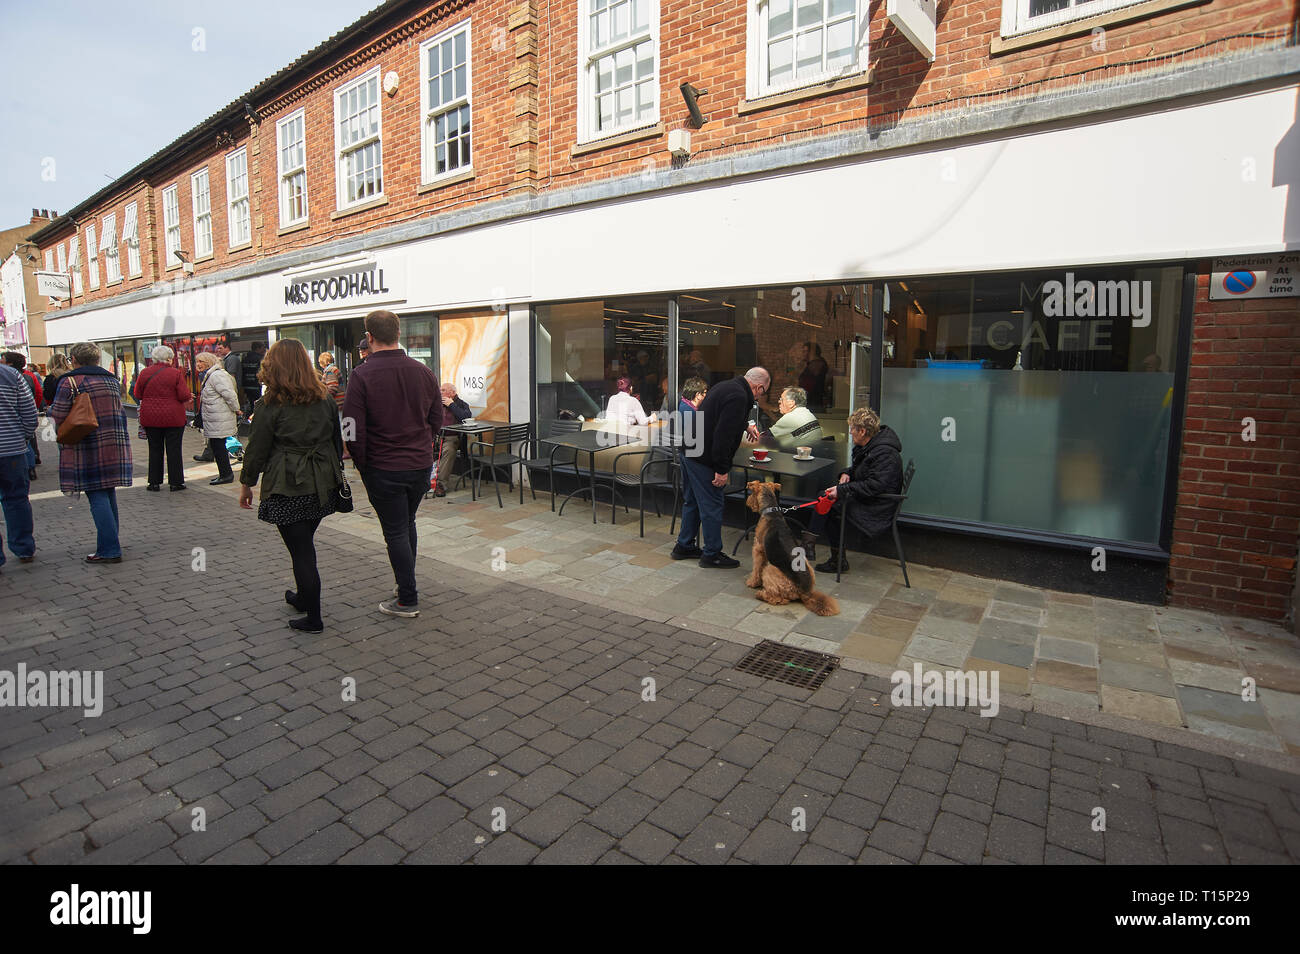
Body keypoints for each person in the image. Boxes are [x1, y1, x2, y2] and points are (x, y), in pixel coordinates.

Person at [341, 310, 443, 618]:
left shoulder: (361, 375)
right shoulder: (423, 371)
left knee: (396, 530)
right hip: (419, 465)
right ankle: (405, 586)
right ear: (398, 334)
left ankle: (407, 598)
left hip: (384, 467)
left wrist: (361, 462)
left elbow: (349, 425)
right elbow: (437, 419)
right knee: (406, 524)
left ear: (369, 338)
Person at [239, 339, 342, 633]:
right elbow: (336, 441)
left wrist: (247, 483)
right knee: (303, 544)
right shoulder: (324, 398)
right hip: (322, 481)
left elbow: (257, 448)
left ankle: (314, 617)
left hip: (288, 483)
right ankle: (303, 597)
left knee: (301, 551)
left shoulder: (271, 403)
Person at [675, 366, 769, 568]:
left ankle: (684, 546)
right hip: (704, 457)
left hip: (690, 450)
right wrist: (721, 469)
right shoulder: (739, 397)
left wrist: (745, 424)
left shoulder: (726, 386)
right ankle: (712, 554)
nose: (761, 397)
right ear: (759, 388)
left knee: (692, 501)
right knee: (712, 504)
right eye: (763, 392)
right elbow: (723, 436)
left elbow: (714, 415)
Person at [49, 341, 133, 563]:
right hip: (113, 443)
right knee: (107, 492)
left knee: (96, 494)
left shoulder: (70, 381)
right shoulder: (111, 380)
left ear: (74, 360)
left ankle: (109, 549)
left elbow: (57, 414)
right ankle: (111, 542)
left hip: (86, 444)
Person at [793, 406, 902, 574]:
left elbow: (875, 485)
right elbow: (863, 470)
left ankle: (821, 552)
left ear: (863, 431)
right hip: (870, 497)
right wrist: (846, 473)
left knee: (829, 503)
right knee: (827, 499)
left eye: (852, 429)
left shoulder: (885, 453)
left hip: (878, 506)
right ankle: (813, 548)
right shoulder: (872, 446)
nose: (850, 432)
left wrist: (842, 490)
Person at [133, 345, 191, 492]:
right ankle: (176, 482)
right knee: (174, 450)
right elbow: (183, 395)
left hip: (151, 417)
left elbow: (137, 393)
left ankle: (153, 482)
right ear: (169, 358)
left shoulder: (145, 372)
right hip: (173, 417)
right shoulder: (175, 373)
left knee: (154, 449)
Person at [0, 359, 37, 570]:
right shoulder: (11, 375)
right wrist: (22, 436)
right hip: (12, 450)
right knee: (16, 499)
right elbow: (30, 412)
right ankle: (24, 548)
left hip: (13, 448)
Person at [669, 377, 708, 554]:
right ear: (698, 394)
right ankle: (685, 543)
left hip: (687, 457)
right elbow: (695, 440)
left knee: (690, 500)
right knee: (693, 501)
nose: (706, 395)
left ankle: (684, 543)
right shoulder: (689, 411)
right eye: (705, 392)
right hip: (692, 460)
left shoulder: (684, 406)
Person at [194, 352, 241, 485]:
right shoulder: (210, 375)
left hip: (219, 418)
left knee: (219, 446)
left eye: (201, 361)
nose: (198, 364)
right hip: (215, 418)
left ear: (209, 362)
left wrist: (236, 409)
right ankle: (225, 474)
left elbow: (229, 394)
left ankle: (226, 475)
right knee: (217, 446)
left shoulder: (217, 375)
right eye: (197, 361)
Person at [3, 353, 43, 479]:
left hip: (14, 440)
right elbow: (36, 395)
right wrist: (22, 436)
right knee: (15, 495)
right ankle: (31, 468)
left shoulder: (16, 376)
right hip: (12, 443)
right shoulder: (17, 376)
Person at [435, 382, 472, 498]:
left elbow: (466, 417)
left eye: (443, 390)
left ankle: (440, 484)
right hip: (435, 436)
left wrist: (452, 405)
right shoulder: (436, 403)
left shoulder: (461, 404)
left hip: (451, 438)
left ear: (452, 393)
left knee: (448, 450)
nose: (440, 392)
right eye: (440, 390)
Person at [798, 341, 830, 411]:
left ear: (811, 353)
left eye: (805, 351)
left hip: (813, 403)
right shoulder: (813, 364)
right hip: (811, 402)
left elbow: (808, 385)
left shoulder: (816, 365)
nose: (803, 354)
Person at [241, 339, 266, 409]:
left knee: (251, 406)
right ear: (258, 348)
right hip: (257, 387)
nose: (265, 349)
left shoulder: (245, 359)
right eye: (263, 347)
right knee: (260, 407)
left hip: (247, 387)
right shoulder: (261, 359)